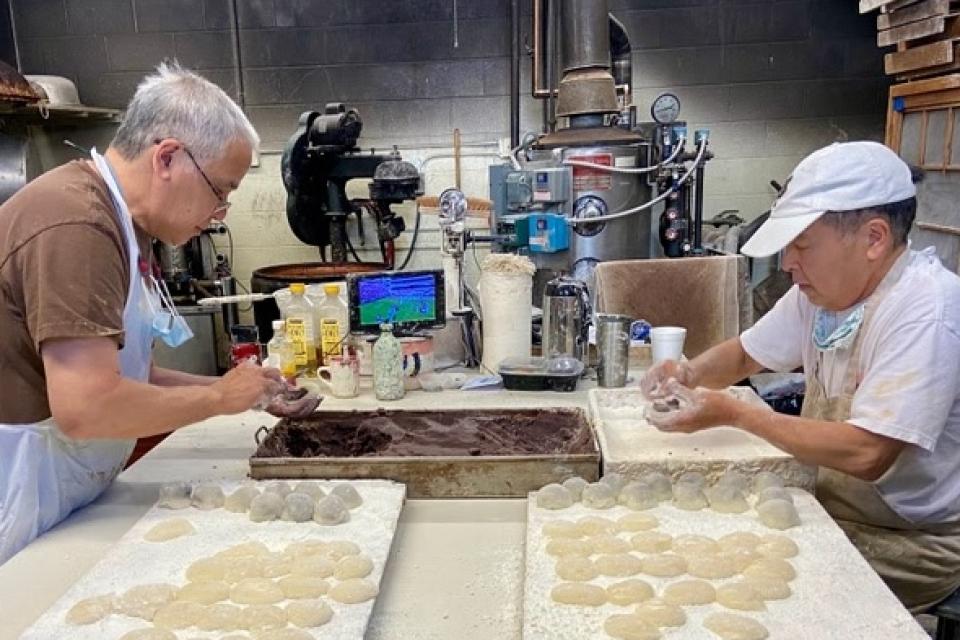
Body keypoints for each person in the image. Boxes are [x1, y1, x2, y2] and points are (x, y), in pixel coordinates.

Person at [0, 63, 316, 564]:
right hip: (17, 497)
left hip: (63, 490)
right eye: (222, 191)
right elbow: (86, 408)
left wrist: (251, 392)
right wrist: (216, 397)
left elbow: (132, 376)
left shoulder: (124, 223)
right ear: (168, 157)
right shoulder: (76, 224)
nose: (220, 213)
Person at [641, 141, 960, 613]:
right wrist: (687, 374)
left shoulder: (927, 311)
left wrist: (734, 413)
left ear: (873, 238)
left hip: (909, 541)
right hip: (831, 505)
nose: (788, 262)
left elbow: (867, 452)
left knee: (758, 597)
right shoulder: (821, 296)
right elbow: (745, 356)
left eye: (802, 245)